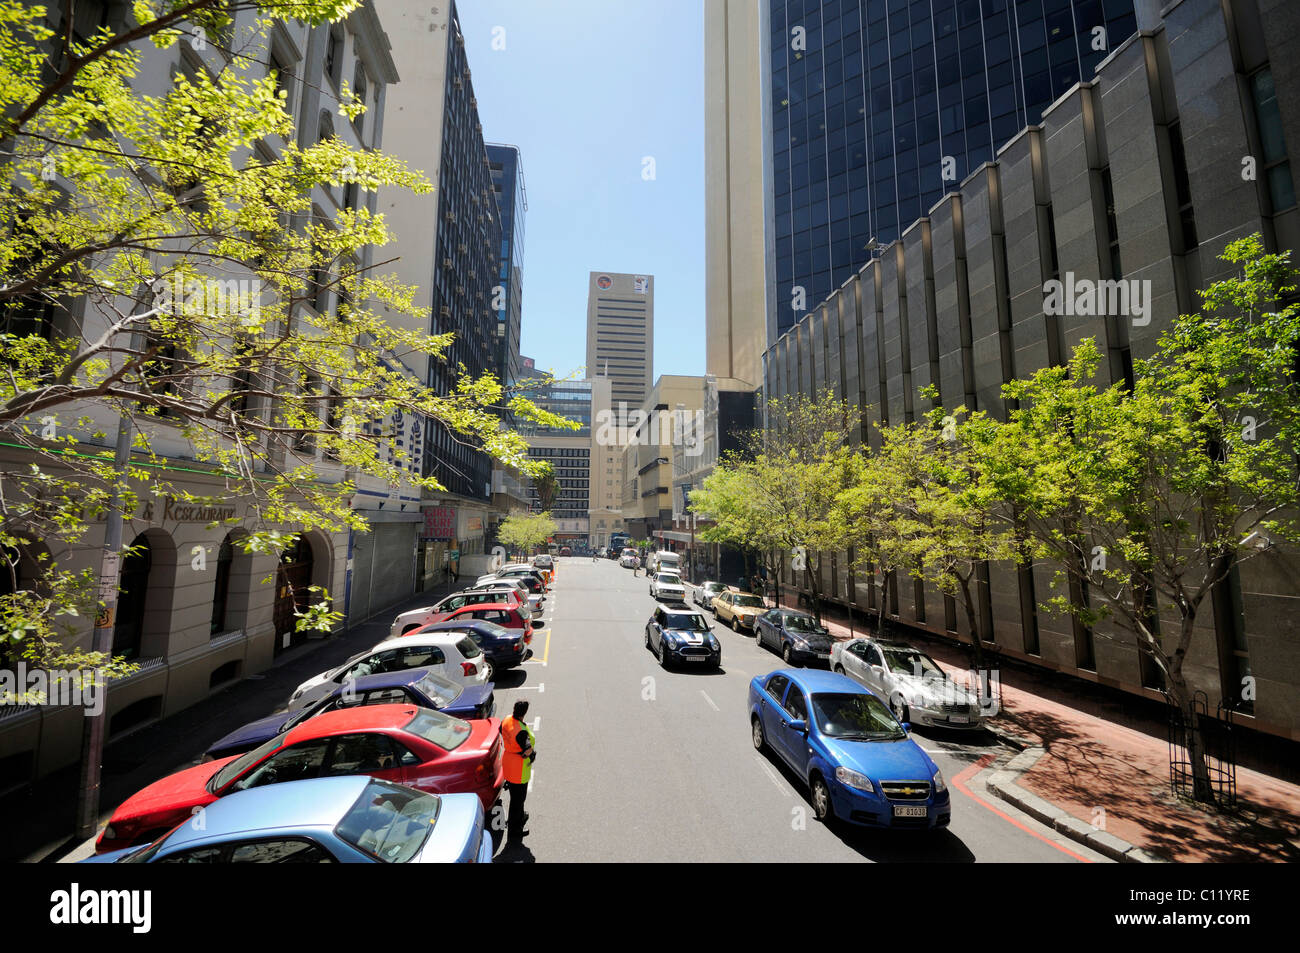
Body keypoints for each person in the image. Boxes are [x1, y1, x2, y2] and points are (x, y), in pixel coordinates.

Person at [500, 700, 536, 844]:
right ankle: (515, 830)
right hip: (518, 770)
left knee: (515, 797)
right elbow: (527, 749)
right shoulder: (521, 731)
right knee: (518, 800)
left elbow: (500, 730)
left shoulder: (507, 720)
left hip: (508, 762)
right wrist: (529, 754)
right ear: (524, 712)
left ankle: (519, 817)